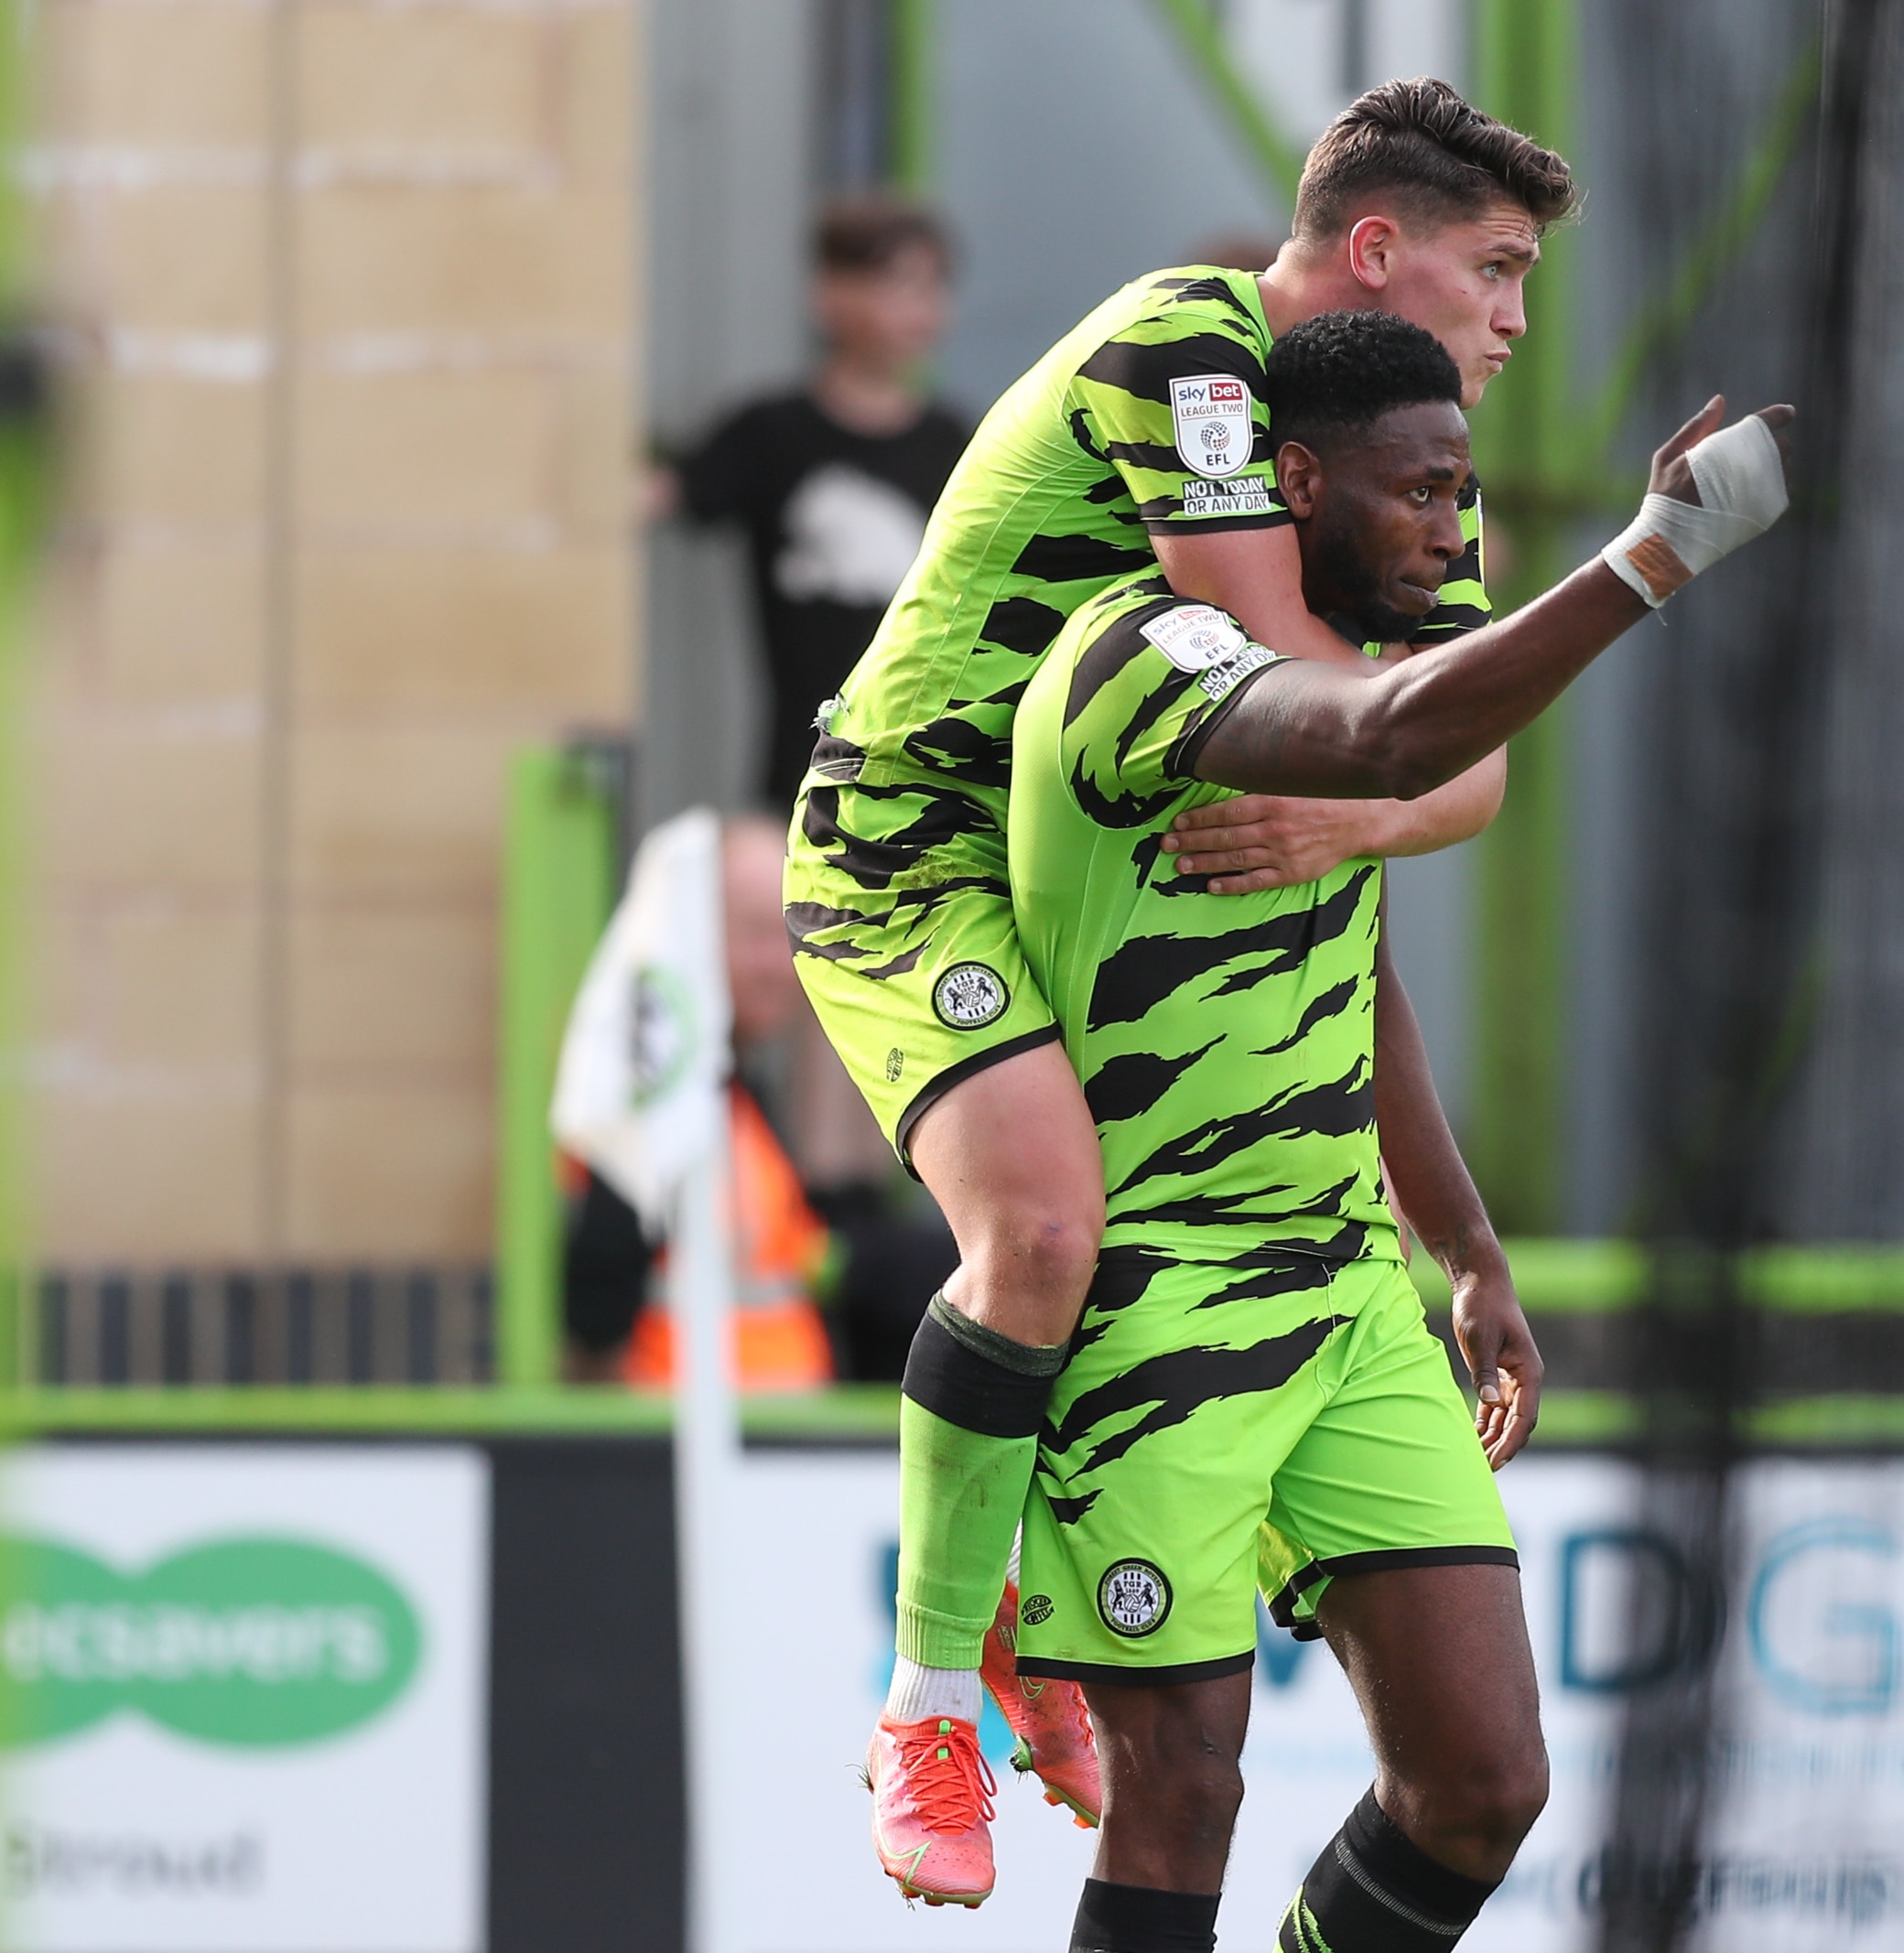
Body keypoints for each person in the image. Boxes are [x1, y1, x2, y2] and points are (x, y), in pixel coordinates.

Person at [787, 81, 1579, 1889]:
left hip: (1088, 888)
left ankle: (1017, 1607)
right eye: (1498, 266)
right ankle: (928, 1698)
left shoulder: (1375, 493)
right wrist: (1387, 752)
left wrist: (1348, 811)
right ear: (1375, 248)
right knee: (1047, 1231)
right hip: (917, 847)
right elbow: (1349, 712)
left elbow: (1460, 775)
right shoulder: (1188, 345)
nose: (1518, 315)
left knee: (1468, 1773)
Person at [994, 312, 1790, 1953]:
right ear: (1291, 480)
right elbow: (1403, 742)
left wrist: (1468, 1245)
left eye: (1466, 491)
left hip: (1348, 1294)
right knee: (1181, 1790)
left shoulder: (1345, 660)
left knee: (1482, 1781)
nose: (1452, 527)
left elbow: (1349, 975)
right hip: (1159, 1303)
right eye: (1419, 492)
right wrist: (1659, 553)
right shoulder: (1141, 659)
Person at [557, 816, 953, 1386]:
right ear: (696, 935)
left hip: (762, 1447)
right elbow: (596, 1321)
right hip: (686, 1448)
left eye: (789, 934)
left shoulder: (741, 1100)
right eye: (753, 934)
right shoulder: (656, 1102)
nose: (778, 965)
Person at [661, 199, 974, 809]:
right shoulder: (770, 433)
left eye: (935, 285)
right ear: (829, 293)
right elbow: (663, 496)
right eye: (898, 282)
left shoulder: (958, 445)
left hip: (929, 763)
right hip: (801, 761)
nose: (920, 306)